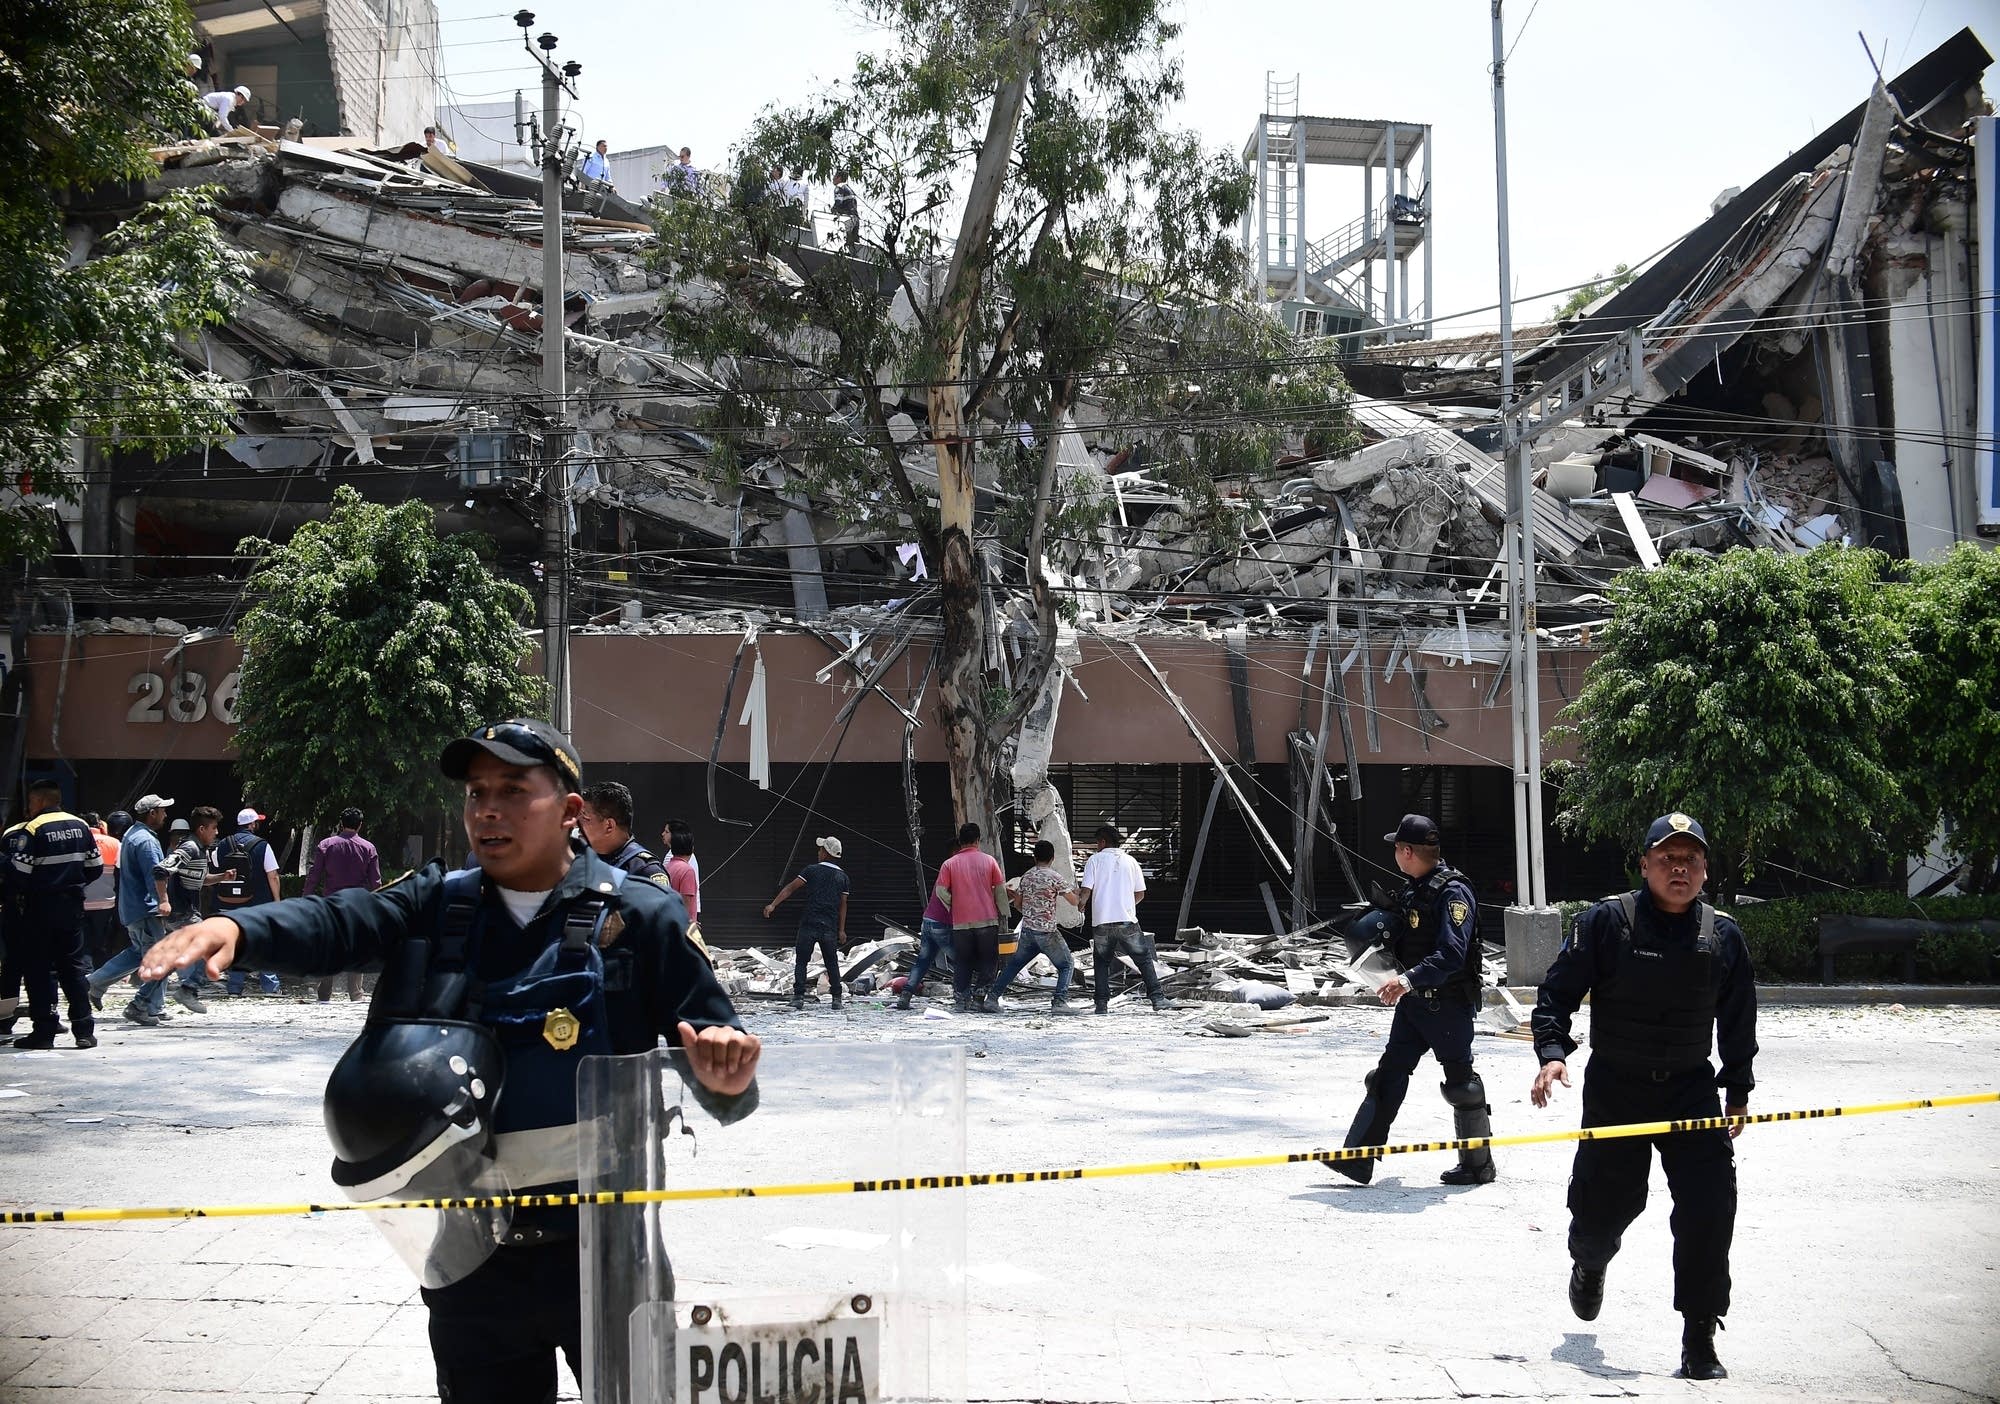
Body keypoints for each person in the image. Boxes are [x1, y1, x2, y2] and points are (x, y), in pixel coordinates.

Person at [140, 717, 759, 1402]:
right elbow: (340, 920)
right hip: (470, 1253)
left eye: (514, 791)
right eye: (476, 793)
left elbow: (716, 1046)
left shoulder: (643, 917)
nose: (488, 810)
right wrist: (237, 926)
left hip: (611, 1254)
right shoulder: (438, 905)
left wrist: (724, 1076)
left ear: (571, 812)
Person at [1530, 812, 1758, 1382]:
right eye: (1667, 858)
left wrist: (1738, 1088)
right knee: (1604, 1209)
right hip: (1617, 1089)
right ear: (1645, 865)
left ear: (1705, 870)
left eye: (1690, 859)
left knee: (1709, 1211)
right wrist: (1553, 1054)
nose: (1678, 868)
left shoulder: (1722, 934)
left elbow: (1738, 1020)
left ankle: (1699, 1338)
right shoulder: (1607, 922)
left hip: (1690, 1090)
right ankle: (1590, 1259)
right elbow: (1556, 994)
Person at [1329, 813, 1495, 1188]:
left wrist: (1405, 979)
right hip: (1414, 1005)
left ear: (1407, 851)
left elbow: (1453, 954)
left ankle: (1478, 1165)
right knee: (1387, 1075)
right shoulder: (1413, 889)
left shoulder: (1453, 892)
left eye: (1396, 848)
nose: (1394, 854)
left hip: (1448, 1004)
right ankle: (1358, 1160)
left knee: (1460, 1085)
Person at [5, 781, 104, 1049]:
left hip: (39, 910)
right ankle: (84, 1031)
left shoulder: (32, 830)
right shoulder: (80, 825)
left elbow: (18, 875)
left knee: (40, 971)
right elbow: (95, 867)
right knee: (73, 970)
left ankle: (44, 1032)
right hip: (72, 909)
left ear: (38, 801)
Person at [86, 794, 172, 1030]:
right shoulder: (146, 841)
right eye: (162, 810)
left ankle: (94, 983)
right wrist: (163, 901)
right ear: (152, 813)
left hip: (132, 908)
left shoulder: (132, 835)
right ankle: (140, 1006)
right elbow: (156, 875)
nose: (165, 815)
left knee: (137, 954)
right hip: (146, 909)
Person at [1077, 825, 1165, 1014]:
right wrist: (1126, 906)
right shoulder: (1131, 861)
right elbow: (1140, 893)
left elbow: (1086, 890)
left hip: (1102, 921)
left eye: (1097, 843)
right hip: (1127, 921)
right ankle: (1158, 999)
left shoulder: (1094, 860)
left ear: (1102, 842)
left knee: (1101, 962)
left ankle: (1101, 1004)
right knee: (1143, 960)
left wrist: (1081, 905)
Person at [990, 840, 1078, 1013]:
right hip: (1047, 932)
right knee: (1067, 964)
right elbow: (1074, 901)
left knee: (1014, 966)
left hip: (1028, 931)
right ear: (1052, 858)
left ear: (1034, 857)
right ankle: (1059, 1002)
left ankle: (992, 999)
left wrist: (1030, 912)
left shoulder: (1027, 876)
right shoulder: (1055, 877)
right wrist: (1080, 894)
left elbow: (1017, 904)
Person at [304, 808, 381, 1002]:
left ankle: (324, 993)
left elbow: (314, 876)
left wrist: (307, 899)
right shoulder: (368, 848)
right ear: (360, 825)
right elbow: (376, 883)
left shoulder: (326, 845)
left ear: (341, 823)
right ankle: (355, 993)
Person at [762, 838, 848, 1010]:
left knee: (802, 961)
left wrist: (773, 904)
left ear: (825, 853)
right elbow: (843, 905)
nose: (818, 852)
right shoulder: (843, 877)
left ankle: (799, 997)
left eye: (820, 849)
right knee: (832, 962)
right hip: (829, 926)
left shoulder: (811, 871)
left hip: (809, 923)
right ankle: (836, 999)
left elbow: (790, 888)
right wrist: (841, 930)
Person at [933, 823, 1010, 1013]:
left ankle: (961, 1000)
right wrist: (1004, 912)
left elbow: (941, 890)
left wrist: (954, 904)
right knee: (989, 961)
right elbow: (1000, 890)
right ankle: (979, 997)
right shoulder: (989, 861)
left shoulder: (949, 864)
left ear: (960, 841)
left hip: (961, 923)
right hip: (987, 920)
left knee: (963, 962)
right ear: (978, 840)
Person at [161, 807, 226, 1012]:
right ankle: (188, 989)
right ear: (201, 828)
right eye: (213, 828)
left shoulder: (199, 849)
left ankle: (141, 1003)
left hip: (186, 912)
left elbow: (201, 879)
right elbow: (161, 870)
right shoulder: (189, 847)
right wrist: (164, 900)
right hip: (182, 912)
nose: (216, 832)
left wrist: (222, 877)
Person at [214, 808, 282, 995]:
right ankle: (270, 987)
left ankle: (234, 988)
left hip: (227, 904)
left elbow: (215, 870)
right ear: (252, 825)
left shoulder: (222, 844)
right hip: (257, 905)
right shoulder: (262, 845)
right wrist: (277, 902)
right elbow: (273, 876)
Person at [893, 859, 956, 1011]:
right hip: (943, 923)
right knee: (961, 960)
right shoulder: (959, 874)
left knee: (923, 961)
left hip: (928, 920)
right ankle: (963, 998)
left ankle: (906, 995)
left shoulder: (947, 870)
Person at [81, 812, 123, 968]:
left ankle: (86, 974)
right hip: (105, 903)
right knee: (101, 943)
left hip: (82, 901)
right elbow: (121, 870)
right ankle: (100, 976)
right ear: (100, 824)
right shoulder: (114, 843)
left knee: (84, 944)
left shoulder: (79, 842)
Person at [661, 819, 703, 951]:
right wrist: (691, 925)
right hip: (683, 930)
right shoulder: (686, 870)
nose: (662, 834)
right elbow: (685, 902)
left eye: (666, 831)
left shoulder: (668, 866)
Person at [828, 168, 859, 250]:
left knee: (843, 244)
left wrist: (833, 210)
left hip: (846, 219)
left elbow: (838, 202)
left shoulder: (839, 187)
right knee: (853, 246)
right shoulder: (849, 188)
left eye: (835, 176)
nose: (833, 178)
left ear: (839, 178)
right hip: (855, 219)